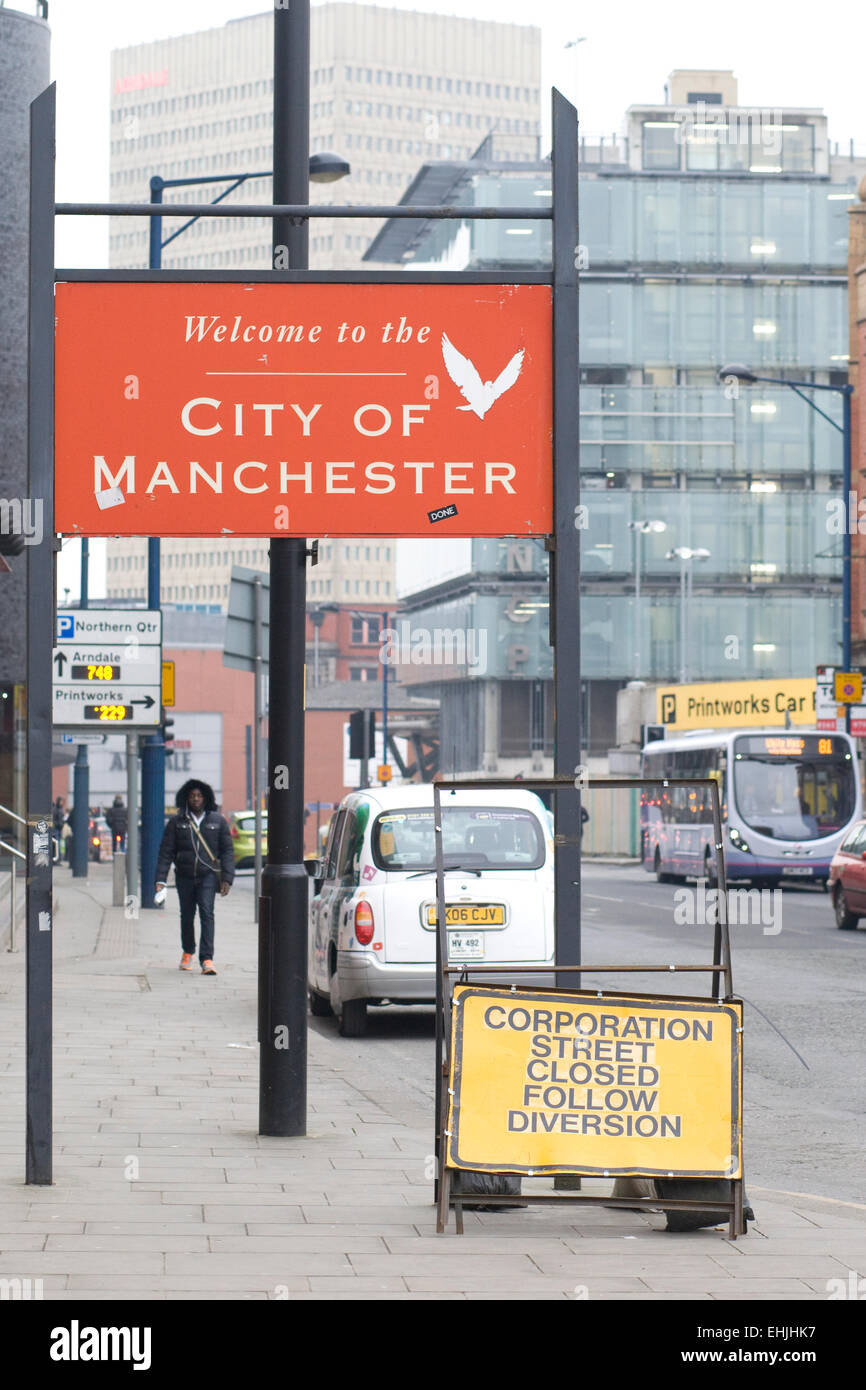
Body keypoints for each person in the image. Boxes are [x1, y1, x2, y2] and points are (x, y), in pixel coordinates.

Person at [155, 779, 234, 976]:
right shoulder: (177, 822)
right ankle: (188, 950)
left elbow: (227, 851)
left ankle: (207, 958)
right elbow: (166, 852)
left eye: (199, 796)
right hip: (185, 876)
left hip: (208, 876)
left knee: (207, 913)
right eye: (192, 796)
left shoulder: (218, 821)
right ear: (186, 799)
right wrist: (160, 879)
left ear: (206, 798)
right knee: (187, 915)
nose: (196, 799)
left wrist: (227, 879)